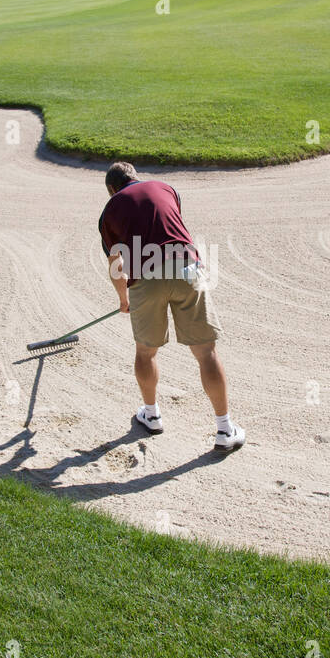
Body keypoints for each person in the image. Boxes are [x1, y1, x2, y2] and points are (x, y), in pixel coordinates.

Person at [98, 161, 245, 451]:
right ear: (135, 177)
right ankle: (225, 429)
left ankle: (151, 415)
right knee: (205, 351)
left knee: (145, 351)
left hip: (146, 276)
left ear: (112, 189)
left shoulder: (110, 209)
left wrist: (124, 299)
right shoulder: (167, 188)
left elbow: (117, 264)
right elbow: (170, 224)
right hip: (187, 267)